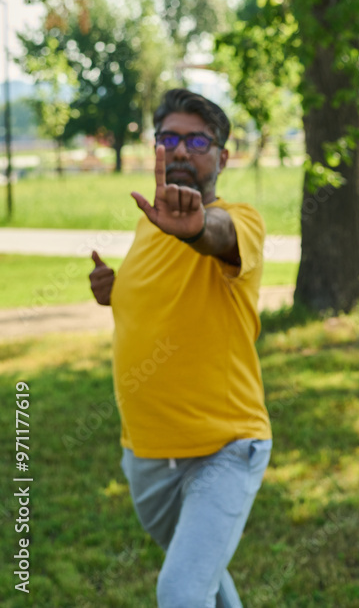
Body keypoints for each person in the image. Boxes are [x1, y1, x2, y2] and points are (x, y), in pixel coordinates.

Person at [89, 88, 271, 607]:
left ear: (223, 155)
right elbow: (160, 299)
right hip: (145, 452)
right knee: (206, 583)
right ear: (156, 149)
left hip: (225, 448)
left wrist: (196, 230)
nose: (183, 150)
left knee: (181, 592)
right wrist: (114, 290)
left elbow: (219, 238)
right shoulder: (149, 225)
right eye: (170, 138)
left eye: (198, 139)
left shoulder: (242, 220)